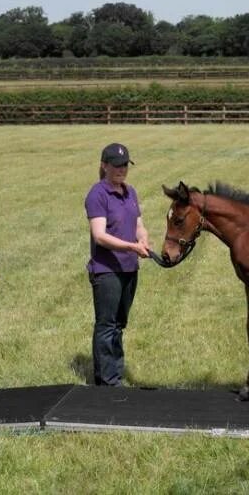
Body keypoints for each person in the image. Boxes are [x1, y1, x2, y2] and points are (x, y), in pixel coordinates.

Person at [84, 143, 151, 387]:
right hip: (107, 270)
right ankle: (105, 381)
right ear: (104, 165)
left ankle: (115, 374)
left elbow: (138, 224)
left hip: (129, 268)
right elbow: (99, 236)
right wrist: (132, 247)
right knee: (106, 324)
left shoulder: (130, 192)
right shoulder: (97, 194)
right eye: (116, 165)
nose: (121, 170)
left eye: (124, 165)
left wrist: (143, 237)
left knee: (120, 324)